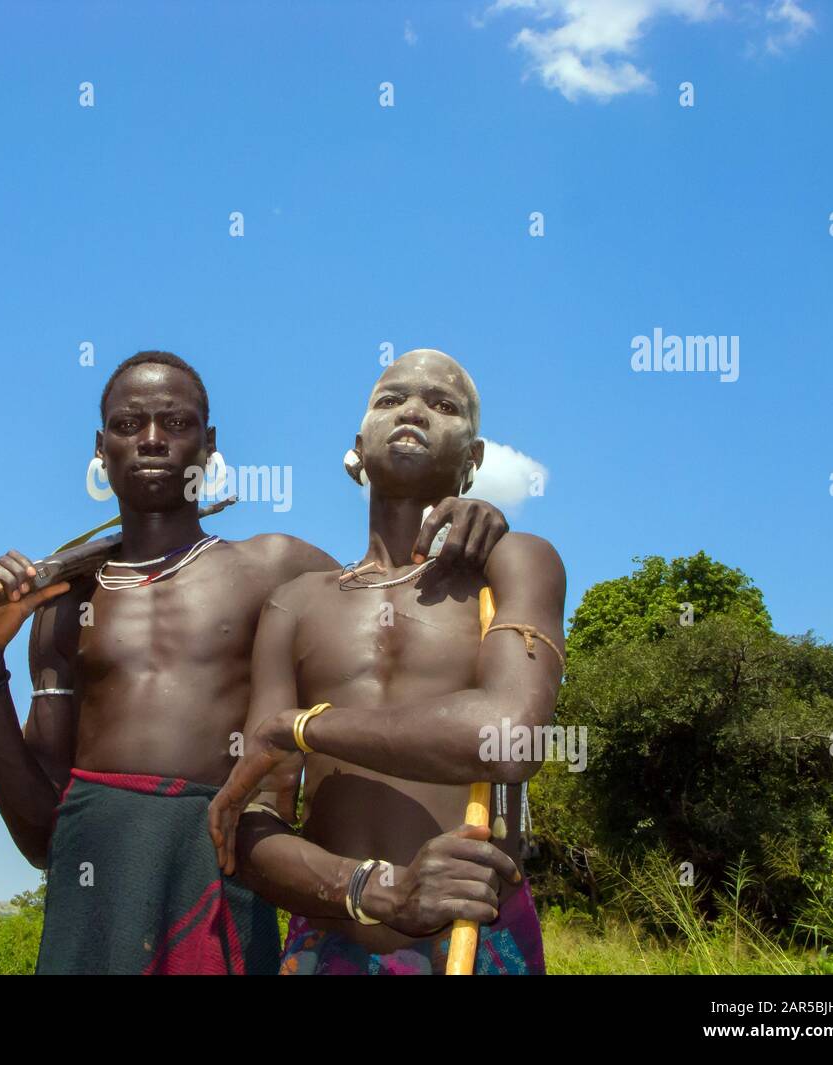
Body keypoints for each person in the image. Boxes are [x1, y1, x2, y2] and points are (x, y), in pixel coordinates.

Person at [0, 350, 510, 974]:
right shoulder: (64, 606)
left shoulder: (277, 569)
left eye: (176, 423)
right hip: (97, 893)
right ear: (99, 446)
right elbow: (39, 838)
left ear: (209, 444)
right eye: (128, 424)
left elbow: (397, 598)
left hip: (228, 862)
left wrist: (469, 524)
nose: (152, 440)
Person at [208, 348, 565, 975]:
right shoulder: (296, 604)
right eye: (390, 399)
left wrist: (300, 726)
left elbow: (510, 738)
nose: (414, 410)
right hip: (328, 943)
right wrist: (374, 889)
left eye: (443, 404)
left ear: (474, 459)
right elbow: (252, 822)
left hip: (473, 942)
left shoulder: (514, 564)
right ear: (358, 445)